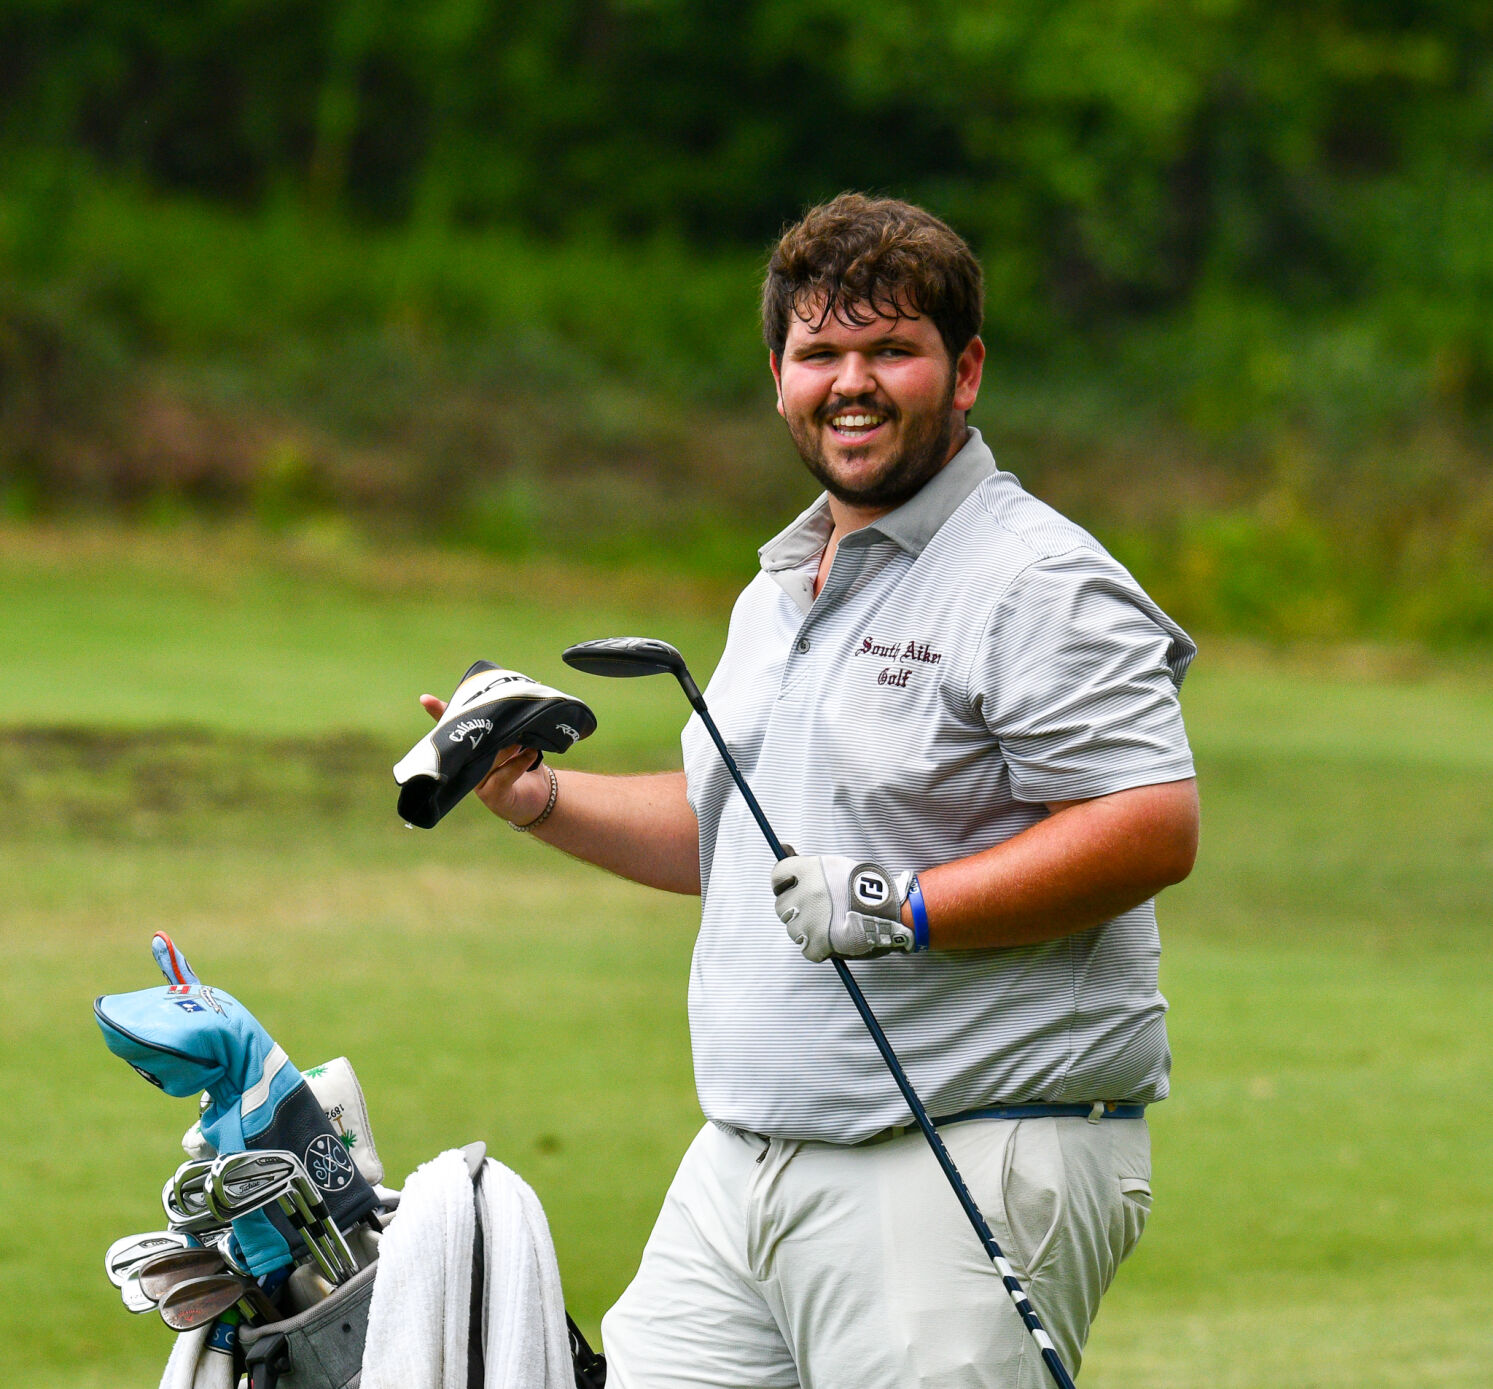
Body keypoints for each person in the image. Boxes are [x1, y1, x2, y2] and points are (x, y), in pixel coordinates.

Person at [420, 193, 1200, 1388]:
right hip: (744, 1168)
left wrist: (904, 904)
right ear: (777, 376)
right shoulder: (780, 586)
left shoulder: (1033, 577)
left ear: (966, 370)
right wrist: (539, 800)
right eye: (820, 352)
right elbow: (738, 839)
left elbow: (1146, 826)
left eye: (891, 350)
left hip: (962, 1160)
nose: (853, 381)